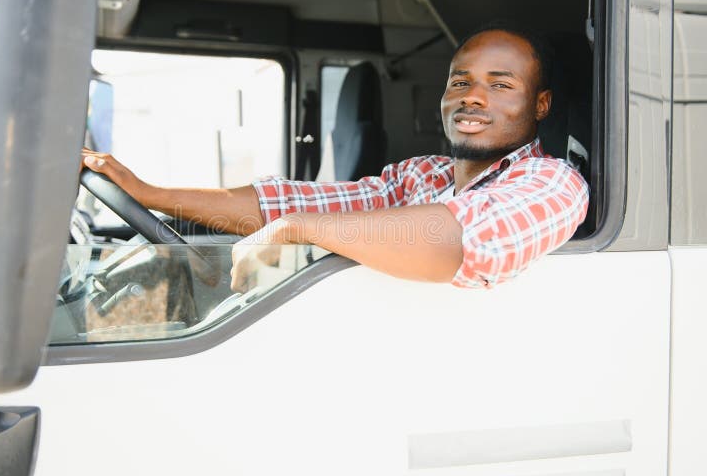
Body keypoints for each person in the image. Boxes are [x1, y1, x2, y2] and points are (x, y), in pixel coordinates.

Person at [81, 23, 589, 291]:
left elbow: (458, 238)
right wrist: (153, 194)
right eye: (461, 82)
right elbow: (292, 201)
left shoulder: (554, 184)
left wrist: (297, 229)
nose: (473, 97)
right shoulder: (423, 175)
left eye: (500, 85)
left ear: (540, 104)